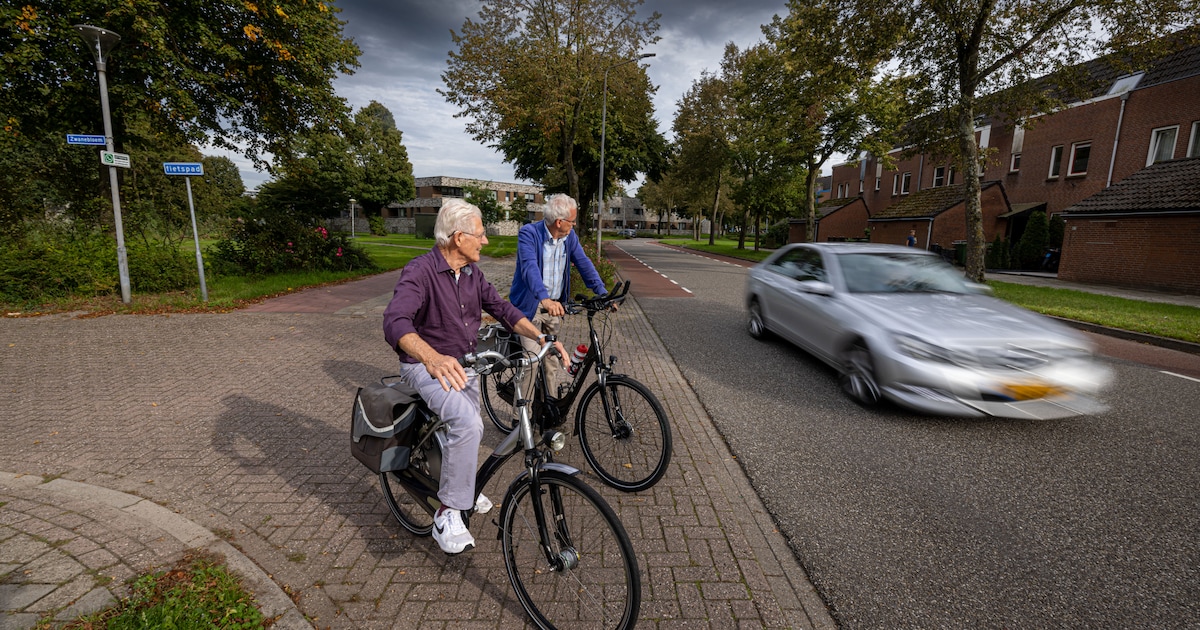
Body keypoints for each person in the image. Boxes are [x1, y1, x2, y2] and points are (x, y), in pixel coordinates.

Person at [383, 199, 566, 555]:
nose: (484, 241)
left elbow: (503, 309)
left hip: (463, 364)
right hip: (425, 365)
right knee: (467, 423)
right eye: (479, 235)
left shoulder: (471, 275)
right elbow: (395, 321)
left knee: (471, 426)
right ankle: (448, 512)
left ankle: (461, 484)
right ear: (457, 237)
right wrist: (432, 357)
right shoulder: (420, 272)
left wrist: (542, 338)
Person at [509, 194, 609, 393]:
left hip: (554, 307)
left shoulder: (569, 237)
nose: (574, 226)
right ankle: (520, 419)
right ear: (559, 222)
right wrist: (544, 299)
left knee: (551, 359)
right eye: (572, 222)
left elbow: (583, 263)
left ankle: (550, 407)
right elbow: (529, 268)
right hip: (531, 307)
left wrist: (603, 292)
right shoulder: (529, 234)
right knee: (532, 361)